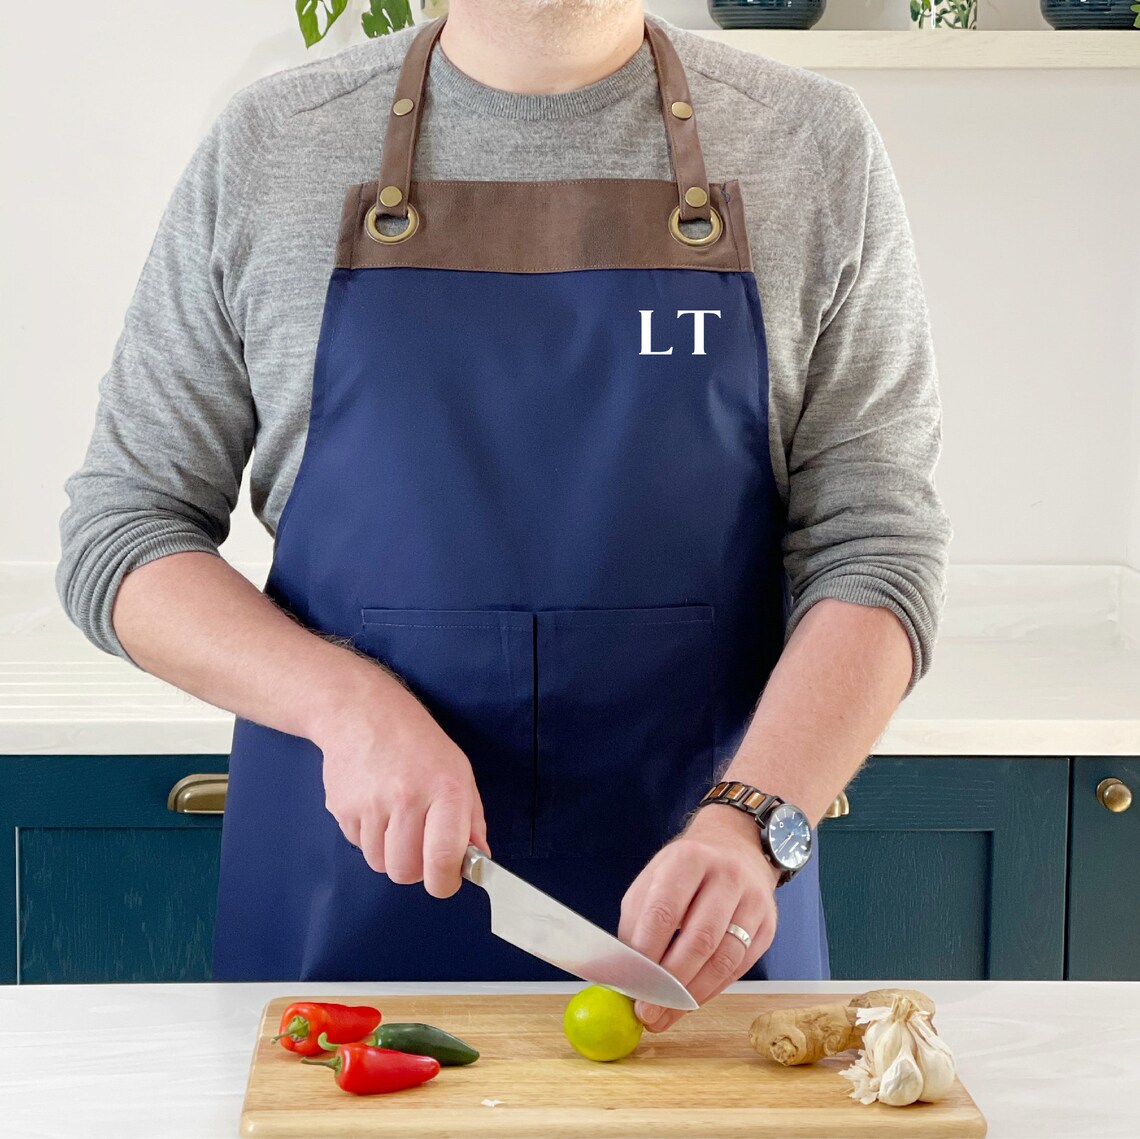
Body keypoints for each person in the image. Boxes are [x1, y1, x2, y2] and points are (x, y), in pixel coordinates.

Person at [58, 0, 951, 1034]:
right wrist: (345, 703)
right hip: (342, 929)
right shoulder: (273, 146)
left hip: (702, 931)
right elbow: (124, 529)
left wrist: (756, 816)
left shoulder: (810, 146)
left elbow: (879, 549)